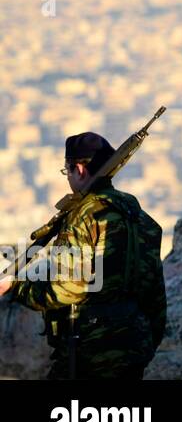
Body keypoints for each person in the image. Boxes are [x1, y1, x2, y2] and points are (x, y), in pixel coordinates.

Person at [1, 132, 166, 379]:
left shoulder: (83, 216)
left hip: (89, 350)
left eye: (66, 171)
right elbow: (155, 294)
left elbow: (66, 288)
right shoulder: (139, 217)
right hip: (133, 345)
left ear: (79, 169)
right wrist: (143, 342)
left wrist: (16, 288)